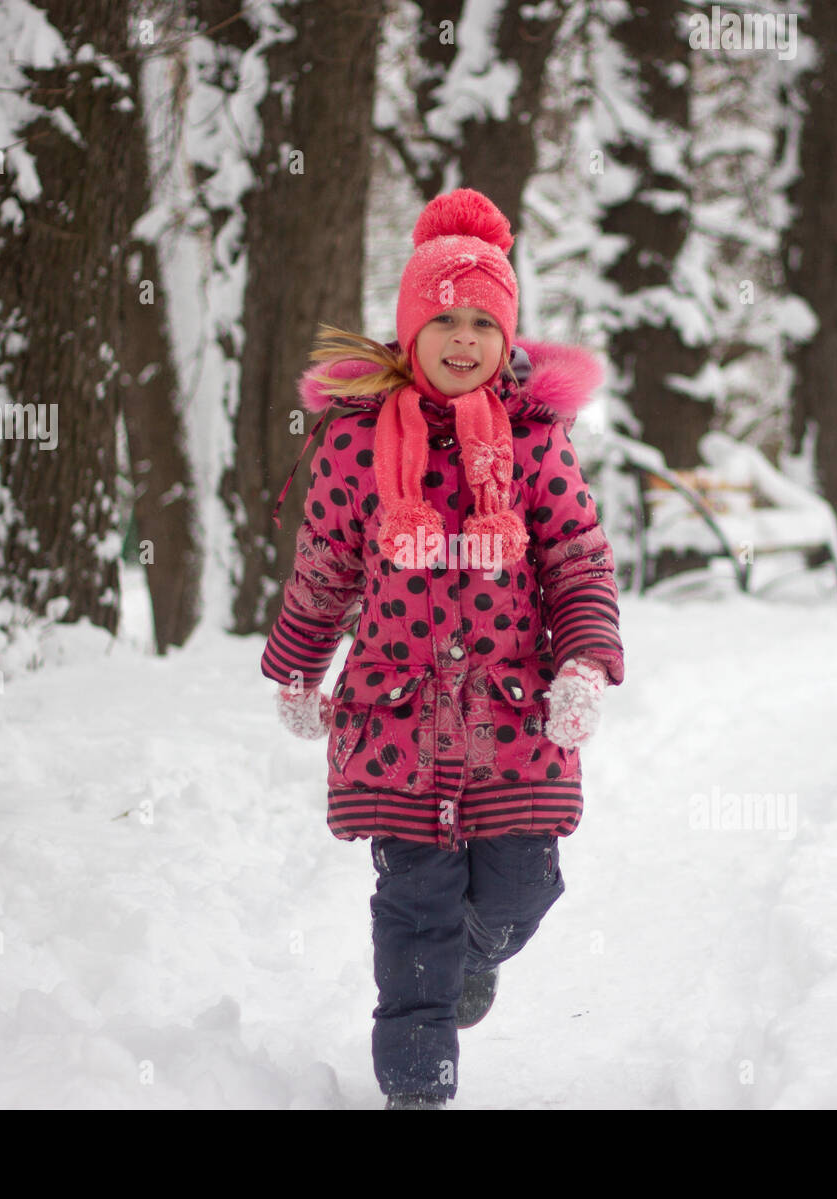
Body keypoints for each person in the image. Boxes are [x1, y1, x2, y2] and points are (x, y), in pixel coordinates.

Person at [260, 188, 625, 1109]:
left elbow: (578, 560)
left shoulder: (536, 444)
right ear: (409, 329)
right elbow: (324, 568)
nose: (463, 338)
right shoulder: (356, 444)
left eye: (483, 322)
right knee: (412, 913)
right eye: (444, 319)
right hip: (395, 724)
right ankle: (416, 1087)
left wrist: (583, 661)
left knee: (521, 889)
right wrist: (299, 666)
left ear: (506, 335)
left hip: (512, 720)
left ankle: (477, 952)